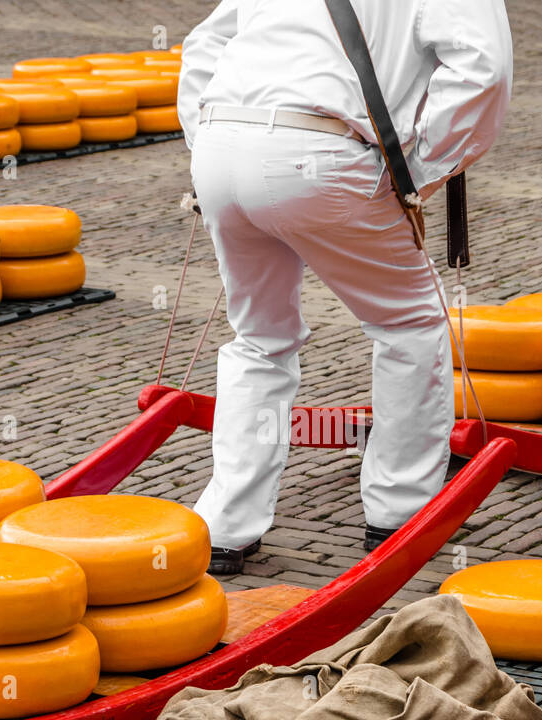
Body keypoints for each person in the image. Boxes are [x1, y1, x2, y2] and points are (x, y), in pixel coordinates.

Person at [178, 0, 513, 574]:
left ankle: (226, 525)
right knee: (408, 323)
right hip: (320, 151)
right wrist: (418, 171)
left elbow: (202, 47)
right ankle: (398, 512)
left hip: (220, 143)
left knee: (258, 338)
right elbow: (484, 68)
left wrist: (207, 140)